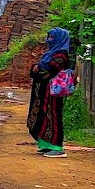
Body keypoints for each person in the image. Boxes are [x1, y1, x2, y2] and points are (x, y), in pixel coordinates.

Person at [27, 27, 72, 158]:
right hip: (42, 92)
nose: (49, 40)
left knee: (53, 117)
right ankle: (46, 145)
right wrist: (36, 69)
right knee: (42, 117)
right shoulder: (50, 53)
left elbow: (51, 70)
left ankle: (57, 147)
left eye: (52, 37)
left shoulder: (61, 54)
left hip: (52, 94)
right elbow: (39, 68)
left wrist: (38, 69)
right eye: (49, 37)